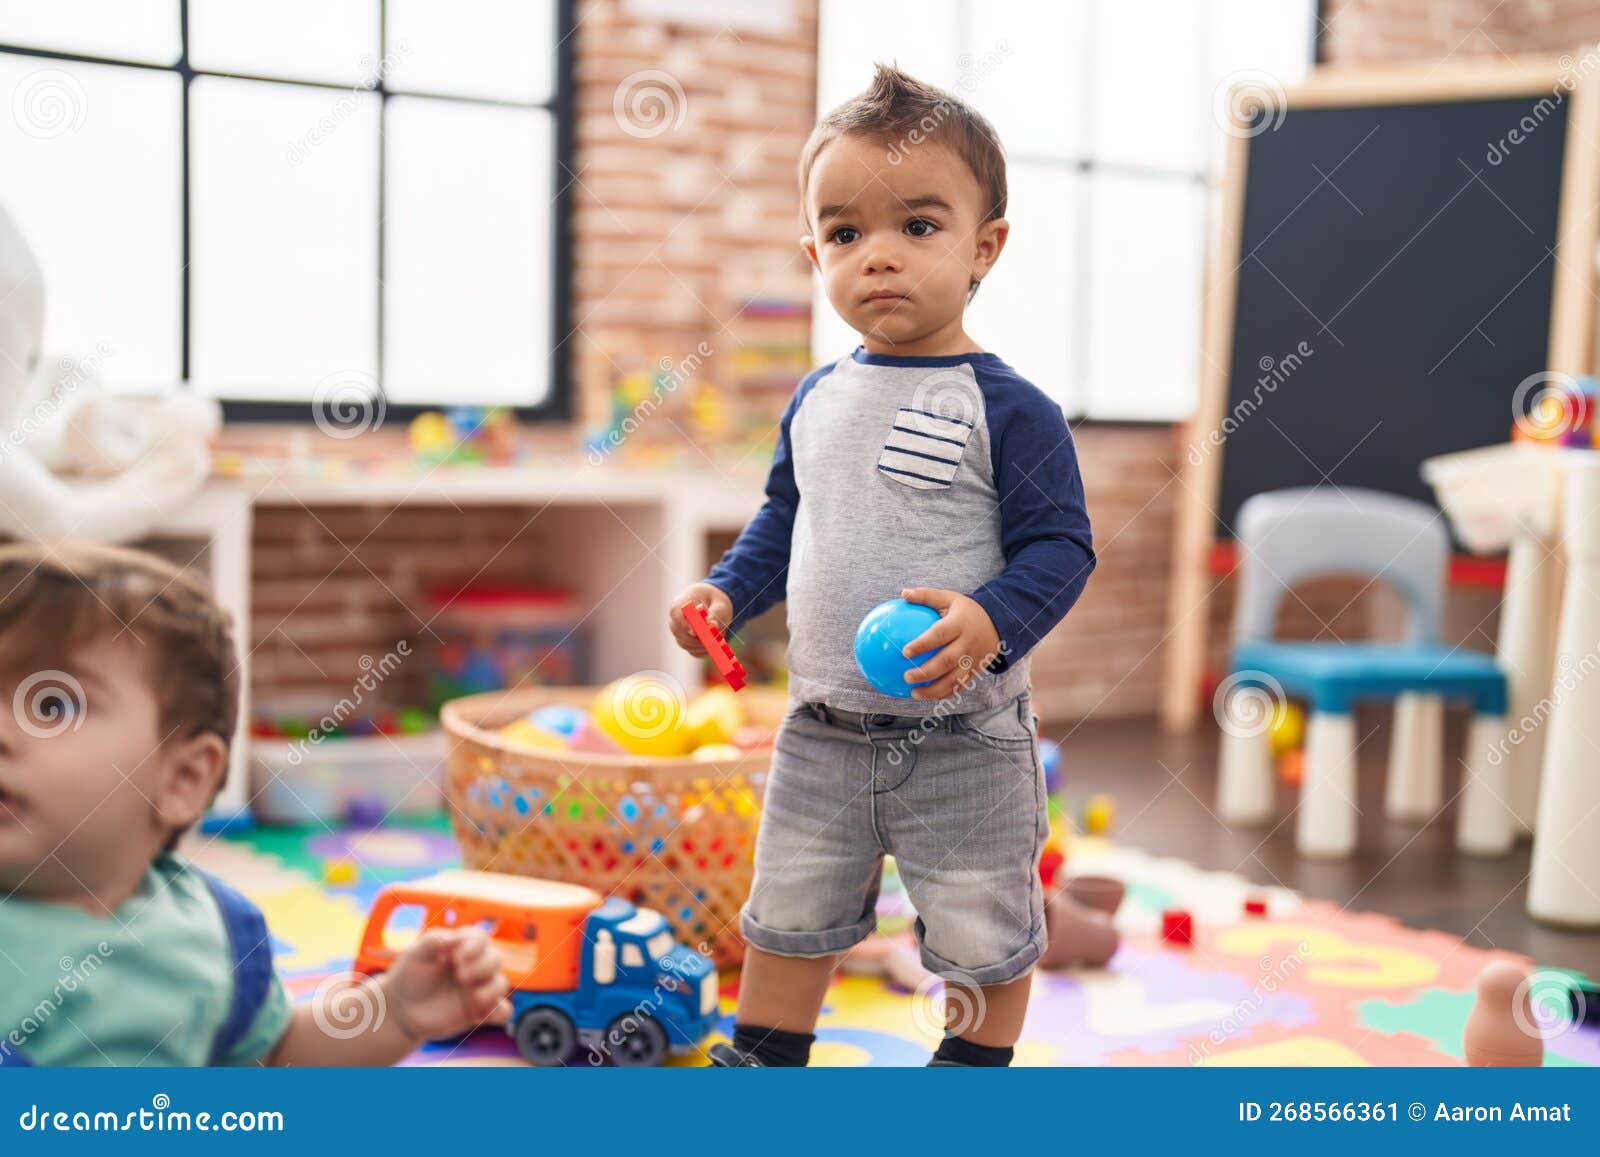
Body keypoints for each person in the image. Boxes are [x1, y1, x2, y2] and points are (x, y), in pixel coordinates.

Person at [668, 64, 1095, 1067]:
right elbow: (784, 515)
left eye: (918, 225)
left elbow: (1060, 546)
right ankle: (763, 1062)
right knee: (784, 913)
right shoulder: (816, 396)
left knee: (983, 929)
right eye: (847, 233)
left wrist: (989, 622)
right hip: (820, 729)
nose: (880, 258)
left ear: (983, 246)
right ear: (814, 251)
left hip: (967, 737)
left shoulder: (1010, 406)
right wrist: (728, 588)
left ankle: (969, 1071)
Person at [0, 542, 510, 1066]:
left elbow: (278, 1053)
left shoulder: (210, 935)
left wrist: (394, 1011)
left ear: (183, 779)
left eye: (50, 705)